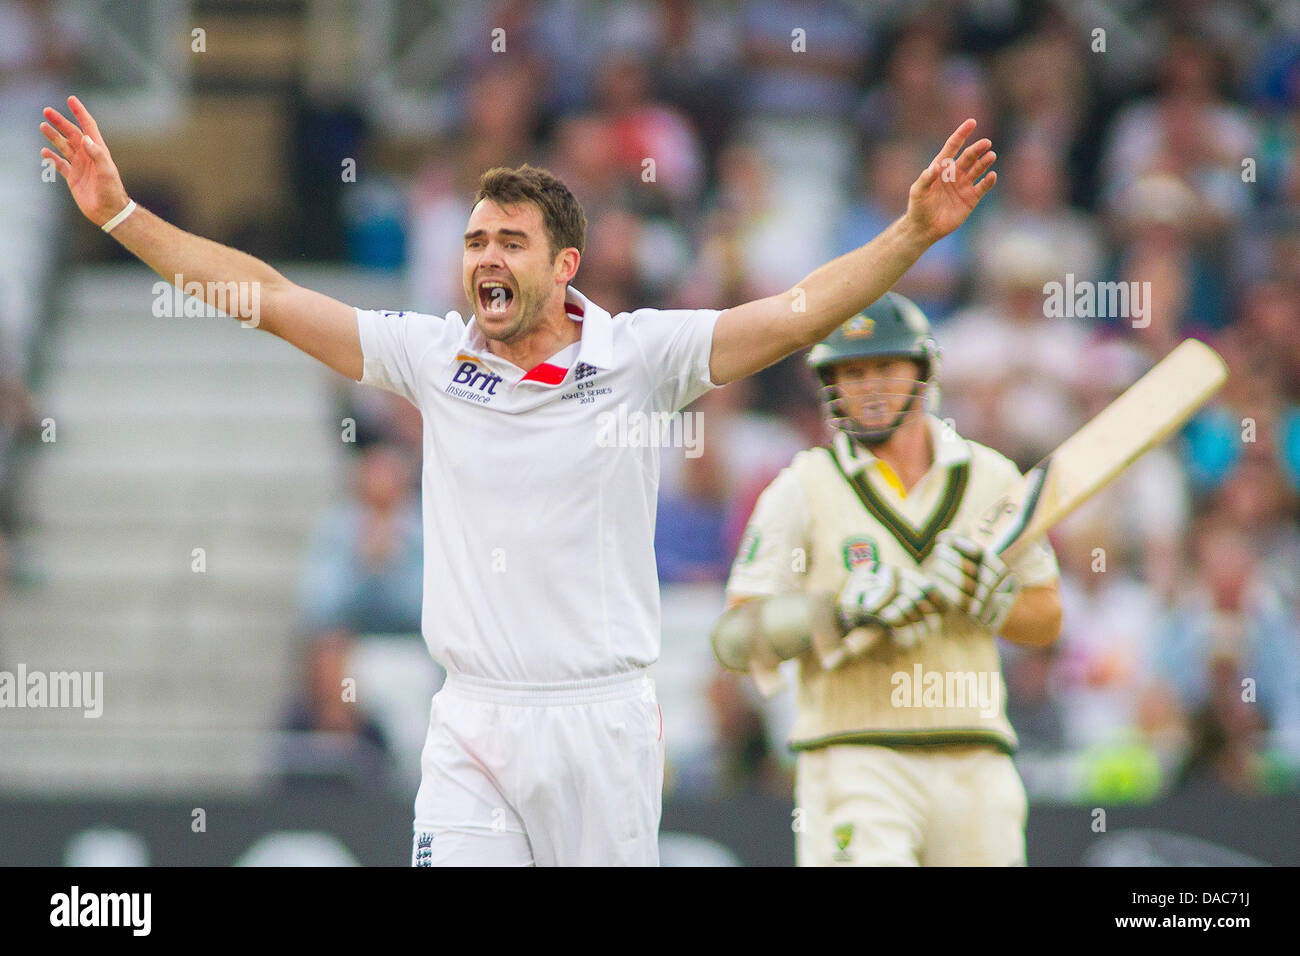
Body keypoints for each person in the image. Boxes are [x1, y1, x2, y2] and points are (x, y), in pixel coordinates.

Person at [40, 94, 997, 866]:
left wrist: (911, 235)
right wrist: (123, 216)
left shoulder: (641, 356)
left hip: (602, 723)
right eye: (474, 243)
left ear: (565, 264)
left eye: (509, 243)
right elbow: (273, 300)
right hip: (473, 717)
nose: (485, 260)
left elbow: (792, 317)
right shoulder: (429, 356)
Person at [714, 292, 1062, 866]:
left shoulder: (992, 477)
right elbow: (735, 638)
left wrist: (992, 601)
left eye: (885, 366)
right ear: (830, 384)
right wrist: (840, 612)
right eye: (851, 371)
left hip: (974, 755)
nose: (869, 385)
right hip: (854, 756)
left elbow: (1047, 618)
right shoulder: (803, 486)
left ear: (922, 373)